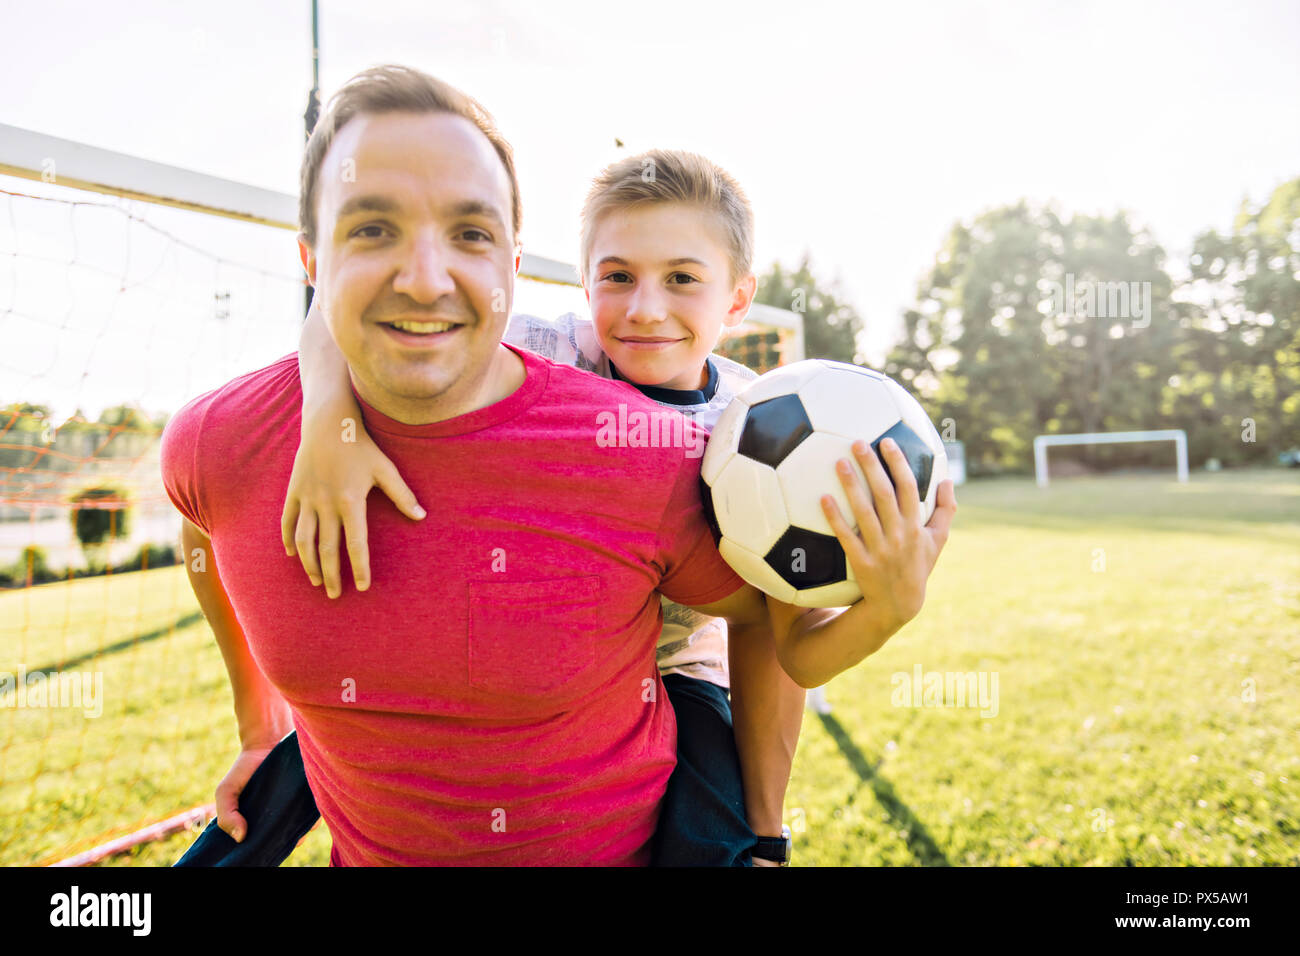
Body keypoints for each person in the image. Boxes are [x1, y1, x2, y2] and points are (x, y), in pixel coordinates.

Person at [163, 65, 955, 866]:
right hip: (511, 663)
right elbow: (351, 314)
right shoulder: (544, 348)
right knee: (285, 782)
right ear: (582, 280)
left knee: (713, 833)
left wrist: (885, 611)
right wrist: (328, 424)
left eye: (682, 279)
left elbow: (781, 648)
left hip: (677, 662)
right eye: (618, 277)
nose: (645, 308)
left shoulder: (754, 424)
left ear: (739, 299)